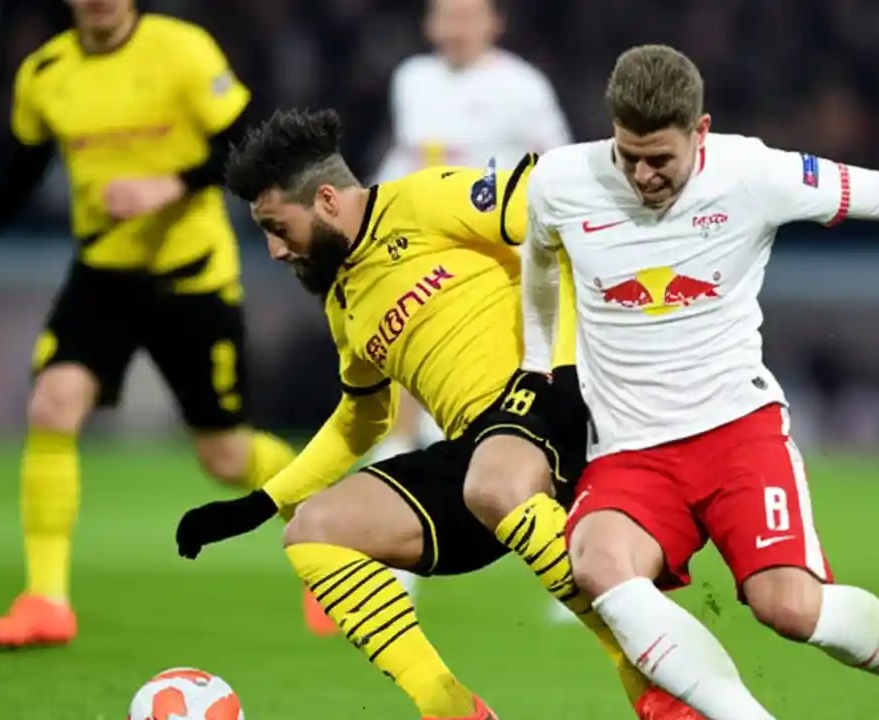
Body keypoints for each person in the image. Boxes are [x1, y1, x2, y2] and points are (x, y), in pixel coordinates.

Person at [521, 44, 879, 720]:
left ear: (700, 132)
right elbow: (541, 264)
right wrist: (536, 362)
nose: (641, 174)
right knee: (599, 564)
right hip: (629, 452)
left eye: (660, 159)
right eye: (627, 154)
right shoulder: (560, 180)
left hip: (736, 434)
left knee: (786, 607)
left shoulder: (752, 173)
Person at [174, 108, 697, 720]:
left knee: (496, 478)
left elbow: (553, 206)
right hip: (484, 450)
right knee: (314, 531)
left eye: (277, 226)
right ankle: (449, 707)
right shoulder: (345, 302)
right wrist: (261, 502)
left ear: (324, 199)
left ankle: (651, 680)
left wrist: (563, 360)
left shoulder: (425, 197)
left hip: (557, 397)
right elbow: (361, 420)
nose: (274, 249)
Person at [0, 0, 296, 650]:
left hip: (192, 275)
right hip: (103, 274)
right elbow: (24, 166)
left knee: (226, 456)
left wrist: (170, 185)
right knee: (52, 404)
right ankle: (46, 601)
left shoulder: (181, 50)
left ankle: (323, 515)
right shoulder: (46, 72)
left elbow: (248, 140)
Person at [292, 0, 573, 635]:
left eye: (467, 15)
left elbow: (554, 166)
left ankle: (581, 559)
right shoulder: (412, 79)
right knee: (398, 397)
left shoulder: (522, 85)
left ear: (494, 22)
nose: (455, 26)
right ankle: (390, 567)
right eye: (445, 15)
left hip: (498, 267)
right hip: (421, 256)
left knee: (543, 405)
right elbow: (404, 164)